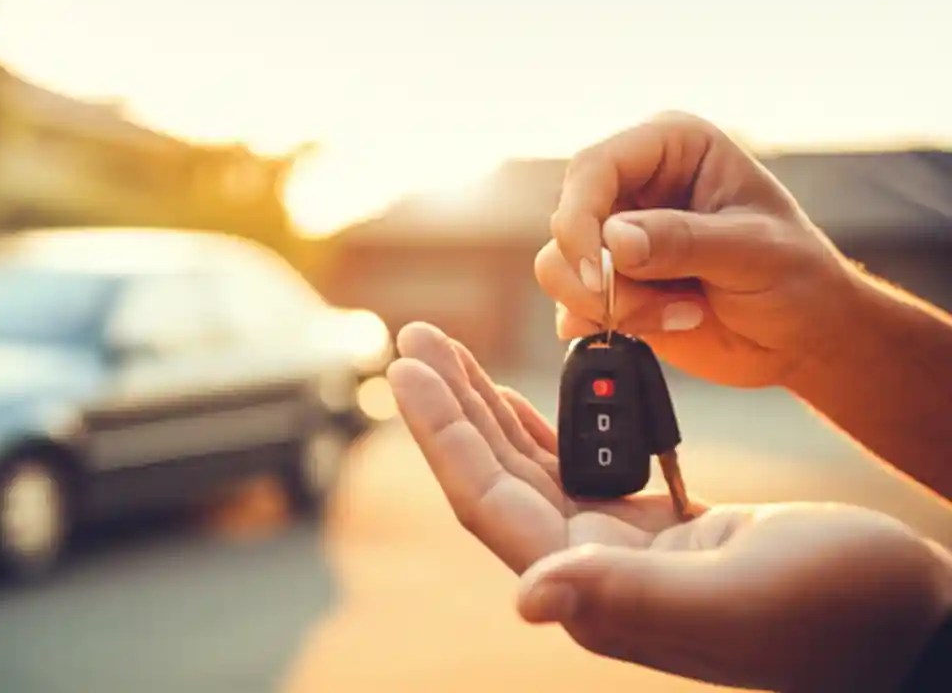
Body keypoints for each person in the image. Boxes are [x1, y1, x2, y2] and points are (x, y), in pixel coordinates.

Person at [386, 112, 952, 692]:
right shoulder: (607, 359)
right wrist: (827, 331)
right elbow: (664, 430)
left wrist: (927, 641)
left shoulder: (609, 361)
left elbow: (661, 428)